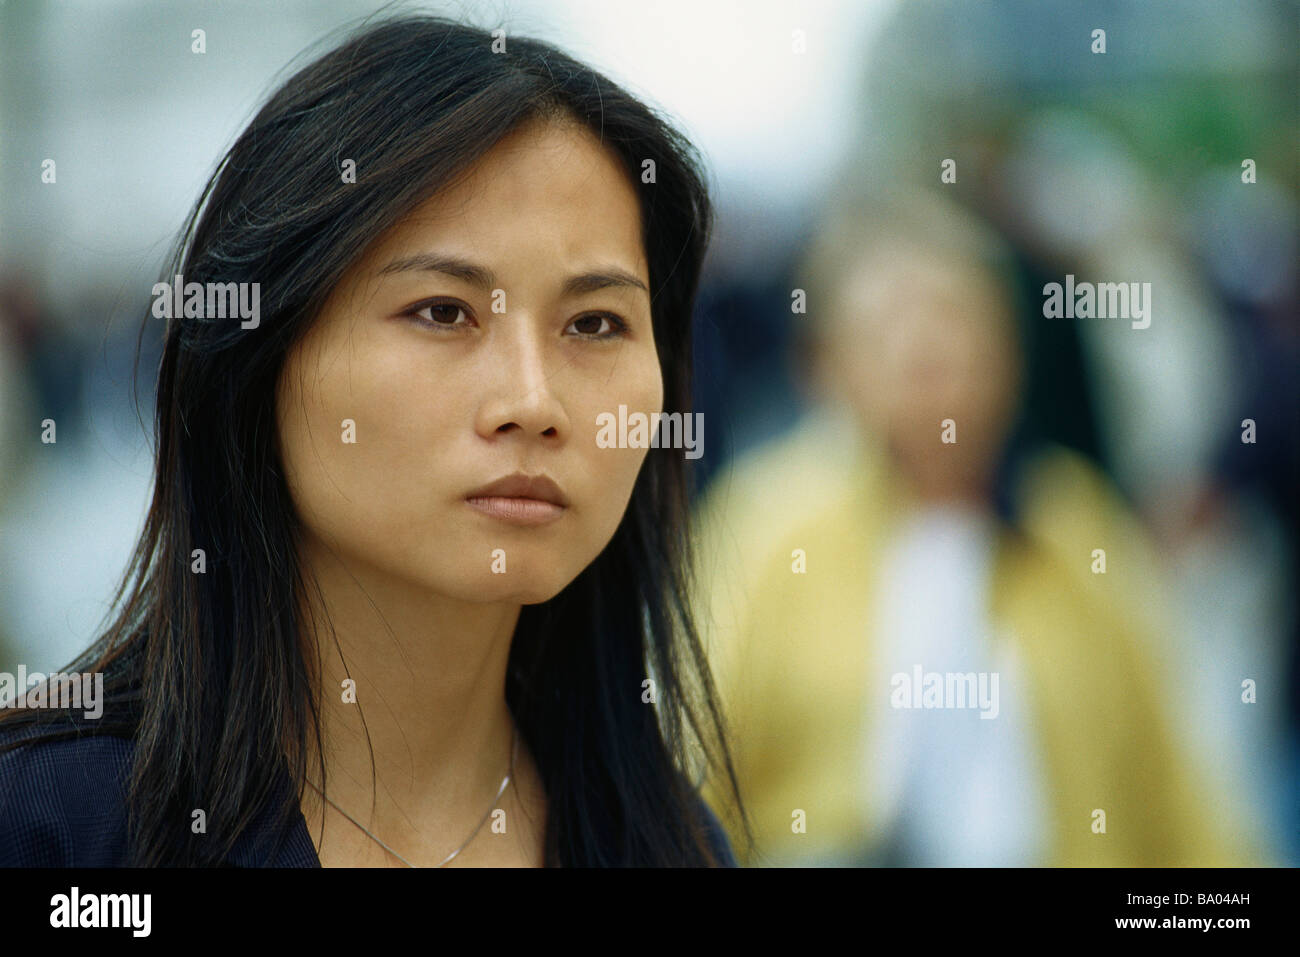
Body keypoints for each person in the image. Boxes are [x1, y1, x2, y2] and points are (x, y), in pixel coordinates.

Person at [0, 13, 744, 867]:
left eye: (596, 322)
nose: (533, 403)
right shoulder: (52, 832)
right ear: (260, 355)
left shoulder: (669, 844)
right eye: (442, 311)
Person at [695, 186, 1266, 866]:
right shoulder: (768, 526)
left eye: (958, 319)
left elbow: (1174, 786)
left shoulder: (1072, 524)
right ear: (831, 364)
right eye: (891, 326)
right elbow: (694, 774)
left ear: (1011, 354)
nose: (929, 349)